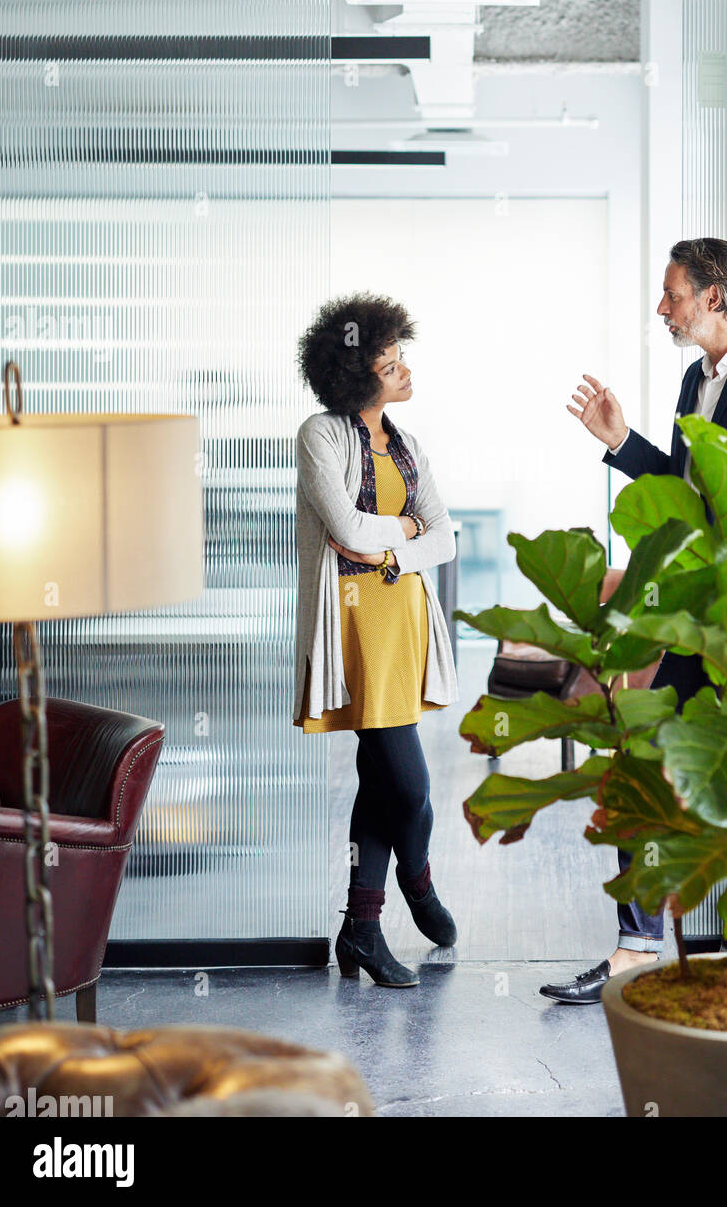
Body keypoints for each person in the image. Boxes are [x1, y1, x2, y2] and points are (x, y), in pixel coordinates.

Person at [540, 236, 727, 1005]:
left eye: (672, 294)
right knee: (643, 764)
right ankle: (636, 949)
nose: (662, 307)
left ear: (713, 296)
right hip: (691, 622)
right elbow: (681, 492)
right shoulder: (691, 383)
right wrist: (621, 442)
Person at [293, 292, 459, 988]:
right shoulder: (319, 436)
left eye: (400, 359)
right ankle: (417, 882)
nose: (404, 372)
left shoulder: (408, 445)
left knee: (380, 779)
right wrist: (409, 532)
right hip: (356, 621)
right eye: (390, 366)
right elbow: (345, 529)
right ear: (356, 378)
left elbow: (446, 538)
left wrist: (393, 544)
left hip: (405, 618)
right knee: (409, 786)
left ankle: (361, 928)